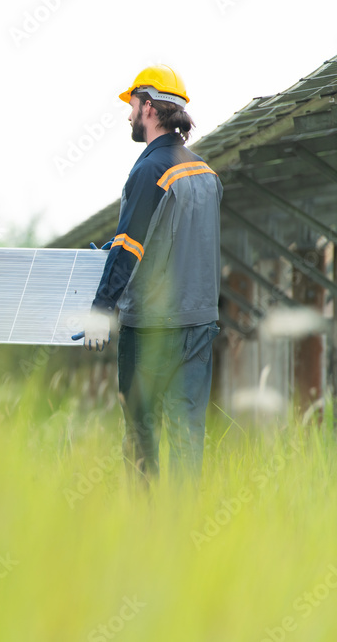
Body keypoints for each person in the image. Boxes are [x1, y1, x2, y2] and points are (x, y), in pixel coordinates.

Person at [80, 64, 222, 485]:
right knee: (187, 434)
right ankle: (183, 532)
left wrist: (101, 309)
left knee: (141, 432)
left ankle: (146, 532)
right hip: (199, 323)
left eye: (132, 105)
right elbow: (178, 238)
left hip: (152, 328)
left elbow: (130, 247)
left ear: (149, 108)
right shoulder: (206, 174)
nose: (128, 115)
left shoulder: (149, 171)